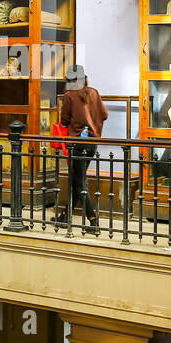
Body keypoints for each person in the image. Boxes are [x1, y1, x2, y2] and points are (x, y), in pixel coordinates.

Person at [53, 64, 108, 234]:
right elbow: (104, 115)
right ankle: (64, 215)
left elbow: (64, 120)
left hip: (76, 143)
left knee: (79, 181)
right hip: (92, 144)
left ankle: (93, 221)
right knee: (76, 180)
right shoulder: (94, 92)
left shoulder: (69, 96)